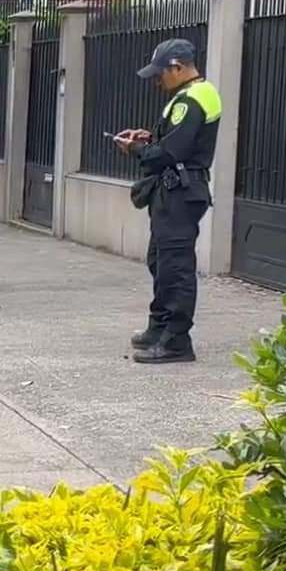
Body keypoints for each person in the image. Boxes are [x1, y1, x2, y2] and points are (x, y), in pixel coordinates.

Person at [113, 38, 220, 364]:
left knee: (176, 268)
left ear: (178, 66)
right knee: (160, 261)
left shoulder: (193, 99)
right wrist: (150, 137)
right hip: (175, 190)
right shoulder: (188, 96)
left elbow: (172, 153)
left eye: (161, 74)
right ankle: (158, 326)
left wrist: (138, 149)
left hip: (181, 191)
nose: (158, 82)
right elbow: (174, 142)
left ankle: (176, 340)